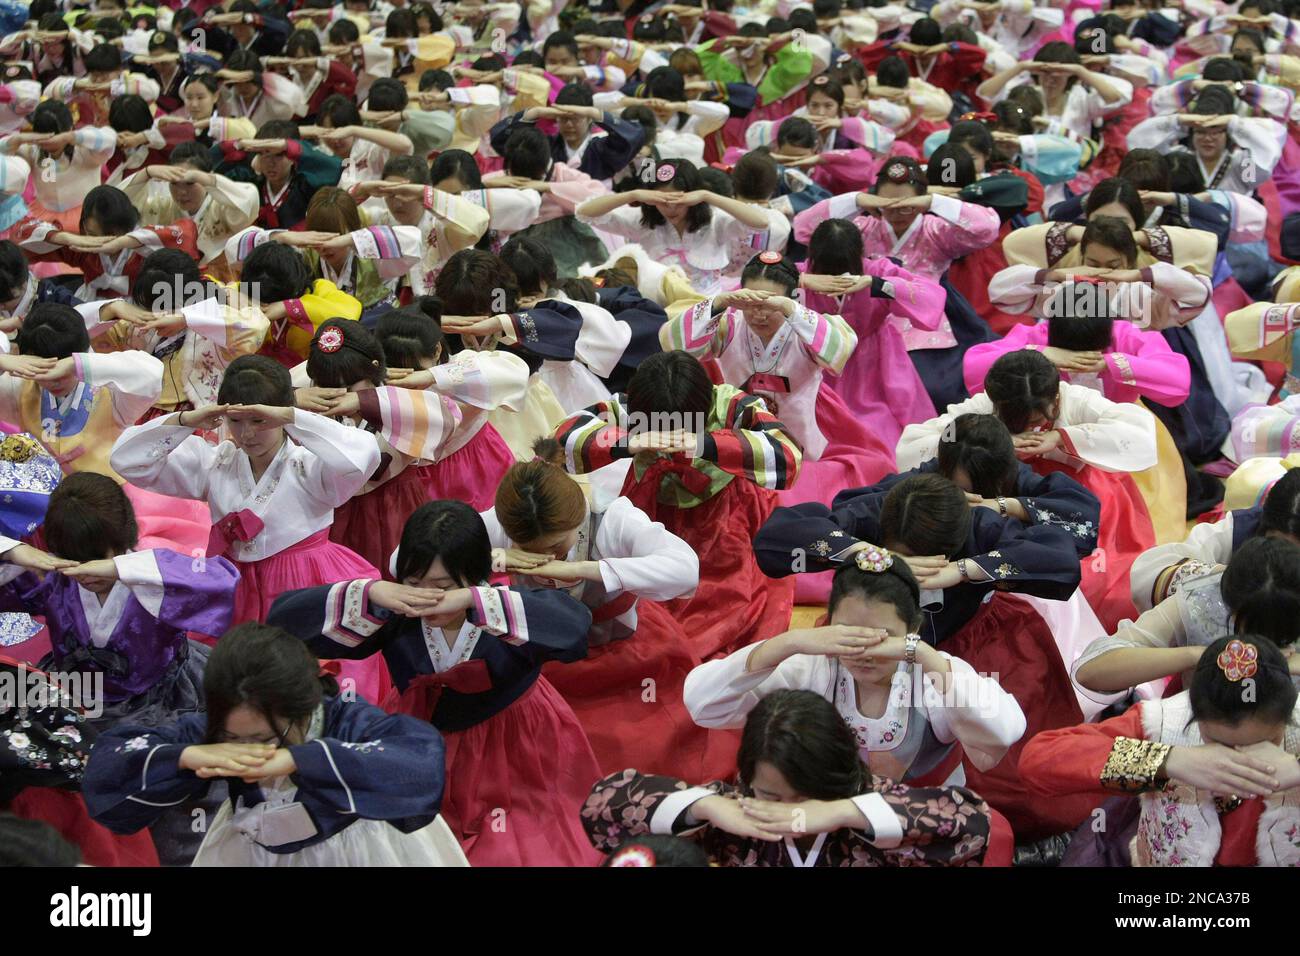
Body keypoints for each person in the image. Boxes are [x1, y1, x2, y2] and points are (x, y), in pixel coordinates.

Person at [266, 501, 603, 867]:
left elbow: (574, 631)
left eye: (442, 587)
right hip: (417, 747)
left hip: (514, 746)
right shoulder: (395, 613)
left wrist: (473, 600)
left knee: (524, 849)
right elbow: (284, 623)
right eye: (414, 584)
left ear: (476, 578)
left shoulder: (505, 609)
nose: (426, 598)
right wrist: (372, 593)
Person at [82, 622, 466, 866]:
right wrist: (187, 755)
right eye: (232, 738)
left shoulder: (345, 721)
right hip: (250, 854)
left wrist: (297, 760)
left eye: (263, 738)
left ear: (303, 709)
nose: (244, 748)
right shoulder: (211, 732)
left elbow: (419, 760)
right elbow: (109, 765)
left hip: (357, 854)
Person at [685, 559, 1026, 787]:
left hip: (915, 834)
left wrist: (921, 653)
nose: (863, 650)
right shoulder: (812, 668)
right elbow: (703, 704)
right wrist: (790, 642)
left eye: (882, 636)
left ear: (913, 629)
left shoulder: (933, 676)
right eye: (847, 631)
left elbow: (1003, 730)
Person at [554, 350, 801, 661]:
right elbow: (561, 439)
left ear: (705, 404)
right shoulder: (631, 408)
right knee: (635, 614)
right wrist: (628, 443)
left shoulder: (731, 404)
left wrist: (705, 444)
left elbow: (788, 454)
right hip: (649, 509)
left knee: (717, 608)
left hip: (723, 518)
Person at [582, 688, 1004, 866]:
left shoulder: (868, 805)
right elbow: (602, 807)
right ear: (746, 777)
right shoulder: (736, 811)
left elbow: (976, 826)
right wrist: (710, 806)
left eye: (805, 797)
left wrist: (835, 814)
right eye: (771, 794)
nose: (787, 812)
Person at [1022, 635, 1300, 866]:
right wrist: (1166, 760)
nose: (1237, 757)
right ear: (1194, 714)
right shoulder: (1165, 723)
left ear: (1289, 718)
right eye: (1219, 743)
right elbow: (1037, 761)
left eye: (1262, 743)